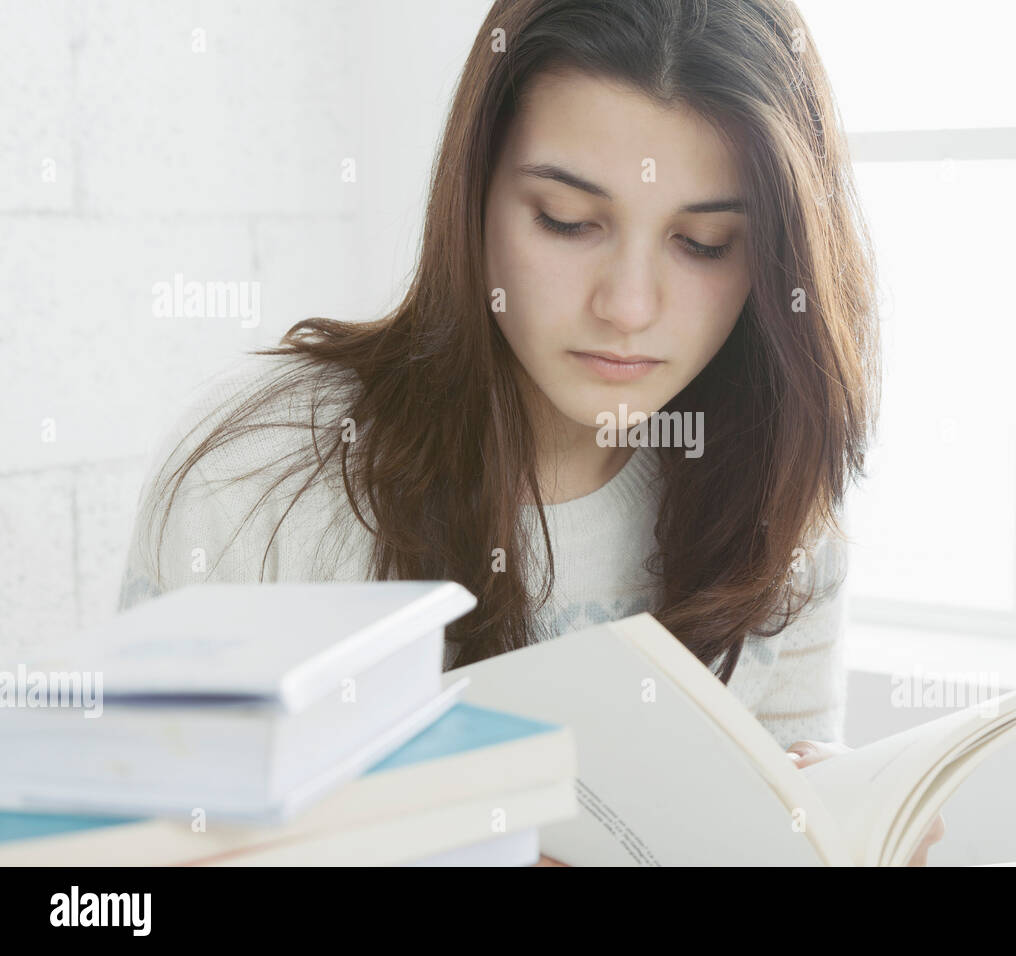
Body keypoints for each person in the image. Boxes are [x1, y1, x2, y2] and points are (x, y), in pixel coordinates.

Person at [120, 0, 943, 865]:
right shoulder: (262, 475)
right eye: (566, 221)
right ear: (473, 198)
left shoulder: (775, 502)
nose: (628, 306)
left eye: (702, 243)